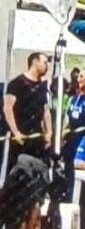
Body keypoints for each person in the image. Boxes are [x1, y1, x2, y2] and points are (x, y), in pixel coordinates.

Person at [1, 52, 51, 229]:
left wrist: (49, 132)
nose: (47, 66)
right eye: (45, 62)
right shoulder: (17, 84)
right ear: (35, 62)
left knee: (36, 190)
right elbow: (8, 107)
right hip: (20, 142)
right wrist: (15, 131)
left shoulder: (43, 87)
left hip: (36, 143)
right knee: (16, 184)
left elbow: (45, 110)